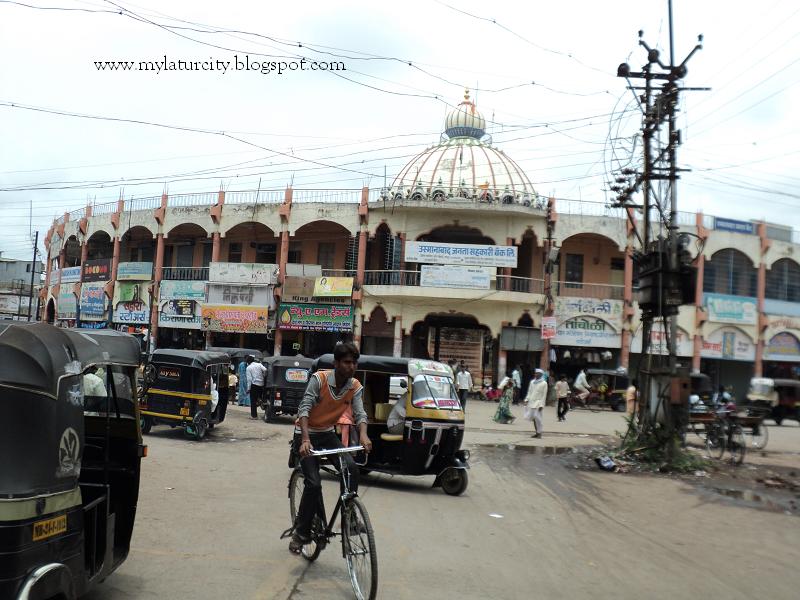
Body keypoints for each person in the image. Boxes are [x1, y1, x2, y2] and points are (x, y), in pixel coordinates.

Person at [289, 342, 372, 554]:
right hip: (306, 434)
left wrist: (363, 435)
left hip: (326, 433)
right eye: (346, 362)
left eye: (354, 363)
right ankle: (301, 532)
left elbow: (360, 413)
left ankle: (350, 520)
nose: (351, 366)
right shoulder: (320, 379)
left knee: (351, 469)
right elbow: (304, 409)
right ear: (336, 363)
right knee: (314, 484)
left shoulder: (354, 386)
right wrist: (305, 440)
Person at [524, 369, 548, 438]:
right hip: (532, 402)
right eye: (535, 373)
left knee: (538, 418)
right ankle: (537, 432)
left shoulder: (544, 383)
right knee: (533, 418)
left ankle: (539, 433)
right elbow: (529, 392)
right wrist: (526, 399)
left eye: (537, 373)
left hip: (538, 403)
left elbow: (544, 395)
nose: (536, 375)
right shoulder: (532, 382)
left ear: (541, 374)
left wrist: (542, 405)